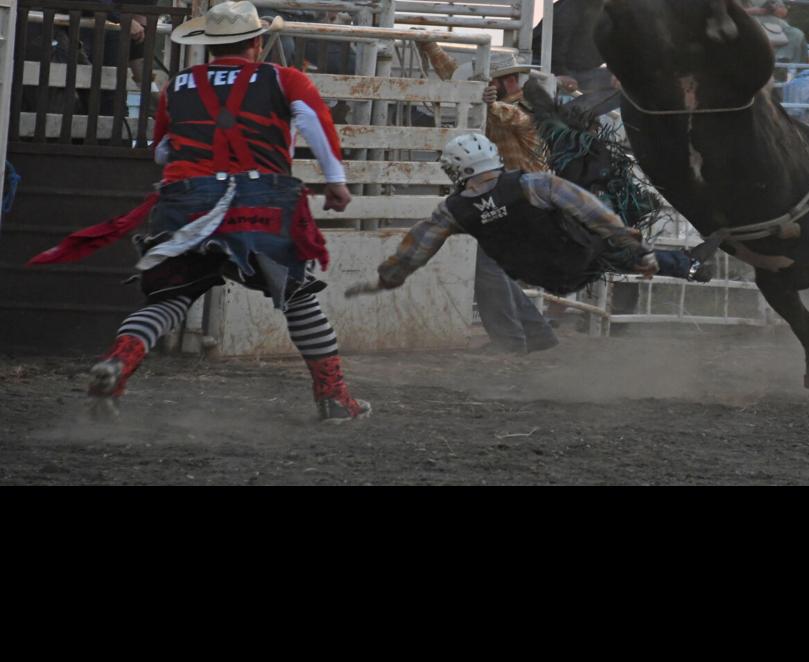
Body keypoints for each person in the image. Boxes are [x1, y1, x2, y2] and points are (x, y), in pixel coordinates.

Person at [33, 3, 364, 422]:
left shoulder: (179, 87)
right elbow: (313, 121)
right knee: (297, 297)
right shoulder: (285, 79)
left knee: (170, 297)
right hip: (259, 203)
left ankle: (118, 363)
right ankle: (333, 396)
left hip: (186, 201)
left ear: (208, 46)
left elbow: (162, 151)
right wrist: (335, 180)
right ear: (257, 43)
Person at [375, 135, 713, 307]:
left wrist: (393, 273)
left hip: (540, 275)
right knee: (602, 212)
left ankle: (682, 264)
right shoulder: (530, 183)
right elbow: (593, 213)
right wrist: (634, 242)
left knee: (598, 248)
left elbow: (419, 244)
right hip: (574, 256)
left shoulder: (454, 209)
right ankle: (685, 265)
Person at [415, 43, 561, 353]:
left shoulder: (526, 109)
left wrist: (489, 106)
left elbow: (513, 118)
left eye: (490, 82)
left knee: (487, 267)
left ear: (504, 82)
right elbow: (457, 74)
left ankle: (511, 340)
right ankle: (536, 334)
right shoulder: (524, 102)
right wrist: (429, 47)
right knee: (493, 266)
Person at [746, 1, 807, 65]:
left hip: (777, 26)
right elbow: (734, 13)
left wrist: (775, 9)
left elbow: (784, 12)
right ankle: (780, 64)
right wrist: (752, 11)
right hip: (752, 24)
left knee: (797, 33)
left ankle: (783, 60)